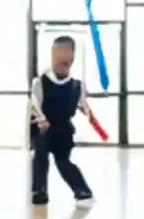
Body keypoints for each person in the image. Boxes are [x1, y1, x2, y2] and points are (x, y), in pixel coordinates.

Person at [29, 36, 96, 209]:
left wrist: (89, 114)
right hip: (43, 128)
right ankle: (39, 190)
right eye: (58, 58)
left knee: (63, 161)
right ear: (52, 56)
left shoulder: (77, 85)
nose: (61, 62)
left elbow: (82, 104)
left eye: (66, 58)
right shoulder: (40, 82)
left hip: (63, 129)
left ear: (72, 58)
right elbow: (35, 103)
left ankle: (82, 190)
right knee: (40, 157)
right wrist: (41, 119)